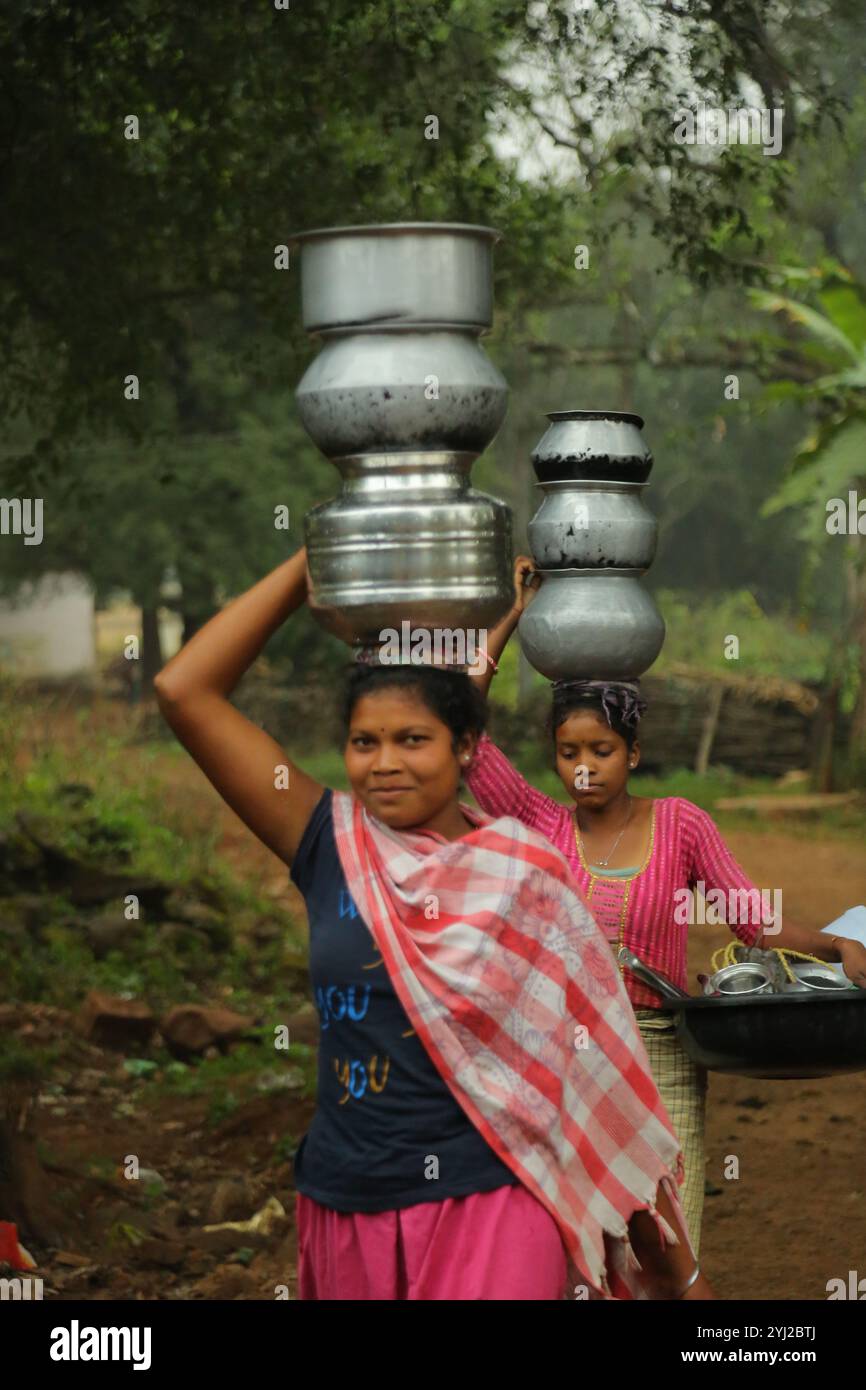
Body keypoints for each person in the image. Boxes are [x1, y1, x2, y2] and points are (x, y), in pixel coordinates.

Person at [154, 545, 715, 1301]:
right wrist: (312, 558)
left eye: (411, 739)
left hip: (495, 1202)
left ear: (466, 748)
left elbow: (596, 1084)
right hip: (346, 1205)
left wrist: (682, 1279)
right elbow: (183, 689)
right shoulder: (329, 843)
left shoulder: (526, 878)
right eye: (365, 741)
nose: (384, 763)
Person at [465, 556, 866, 1255]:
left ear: (635, 751)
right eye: (568, 752)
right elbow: (462, 741)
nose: (584, 767)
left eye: (602, 749)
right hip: (569, 1056)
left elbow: (753, 920)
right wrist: (510, 618)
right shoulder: (542, 823)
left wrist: (838, 946)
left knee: (674, 1236)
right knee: (587, 1239)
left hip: (663, 1055)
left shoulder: (682, 824)